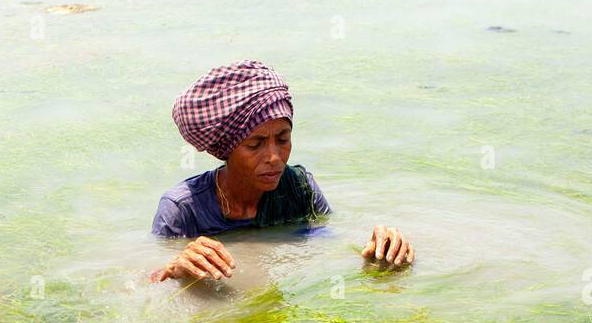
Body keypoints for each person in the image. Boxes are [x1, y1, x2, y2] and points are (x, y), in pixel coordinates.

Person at [150, 59, 414, 283]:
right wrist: (174, 269)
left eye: (283, 139)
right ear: (225, 150)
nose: (275, 158)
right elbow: (145, 286)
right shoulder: (182, 210)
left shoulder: (299, 188)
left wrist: (378, 248)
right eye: (255, 144)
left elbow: (330, 244)